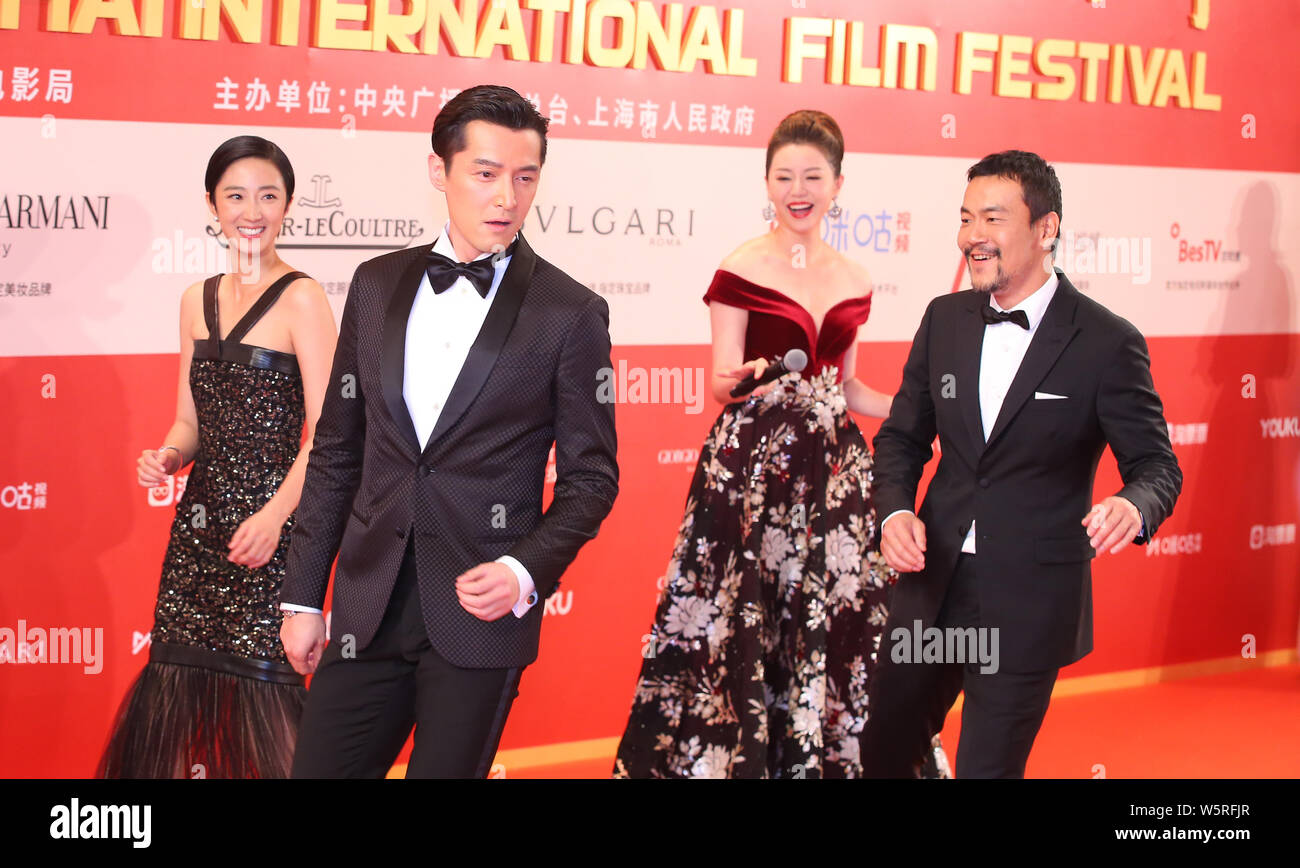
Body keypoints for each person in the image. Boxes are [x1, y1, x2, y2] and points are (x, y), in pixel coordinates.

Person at [278, 84, 619, 779]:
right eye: (486, 174)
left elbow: (593, 481)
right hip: (368, 607)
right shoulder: (376, 284)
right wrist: (304, 597)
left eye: (526, 178)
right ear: (440, 171)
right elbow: (339, 452)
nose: (507, 198)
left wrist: (523, 571)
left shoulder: (569, 312)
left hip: (478, 617)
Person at [614, 110, 935, 778]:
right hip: (752, 470)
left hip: (836, 476)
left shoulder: (855, 277)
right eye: (784, 174)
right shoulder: (741, 266)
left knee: (844, 616)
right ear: (766, 182)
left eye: (813, 175)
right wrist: (741, 381)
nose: (799, 187)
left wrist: (923, 408)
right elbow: (718, 383)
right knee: (741, 618)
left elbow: (845, 388)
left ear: (838, 183)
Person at [862, 150, 1183, 778]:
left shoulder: (1107, 342)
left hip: (1028, 600)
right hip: (934, 585)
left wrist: (1132, 504)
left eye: (992, 218)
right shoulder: (943, 319)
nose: (972, 237)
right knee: (882, 754)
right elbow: (901, 438)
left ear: (1046, 229)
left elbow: (1157, 466)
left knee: (987, 769)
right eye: (964, 219)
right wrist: (895, 511)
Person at [98, 136, 338, 778]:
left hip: (269, 544)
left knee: (272, 709)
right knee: (177, 705)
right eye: (236, 195)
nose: (251, 210)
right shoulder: (193, 300)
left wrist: (277, 517)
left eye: (268, 195)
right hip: (199, 537)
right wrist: (168, 456)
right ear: (212, 203)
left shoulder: (303, 298)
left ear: (288, 204)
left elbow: (331, 432)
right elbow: (189, 421)